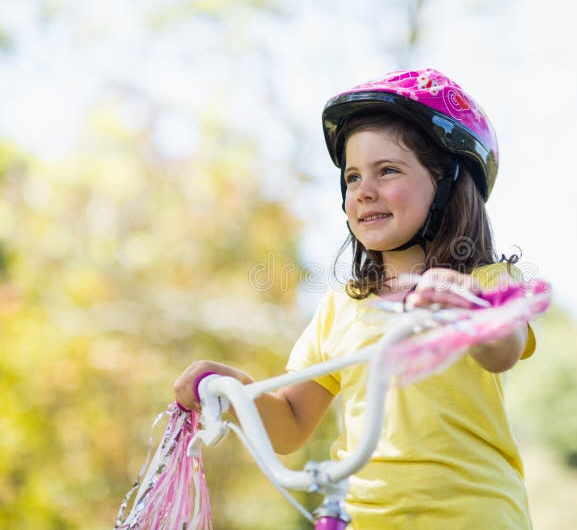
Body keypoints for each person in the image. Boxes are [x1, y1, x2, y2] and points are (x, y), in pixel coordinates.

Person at [174, 68, 537, 529]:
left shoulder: (487, 281)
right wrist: (232, 391)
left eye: (387, 171)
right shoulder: (341, 307)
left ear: (449, 184)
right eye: (352, 177)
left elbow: (503, 348)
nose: (363, 191)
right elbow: (289, 425)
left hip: (471, 516)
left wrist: (470, 307)